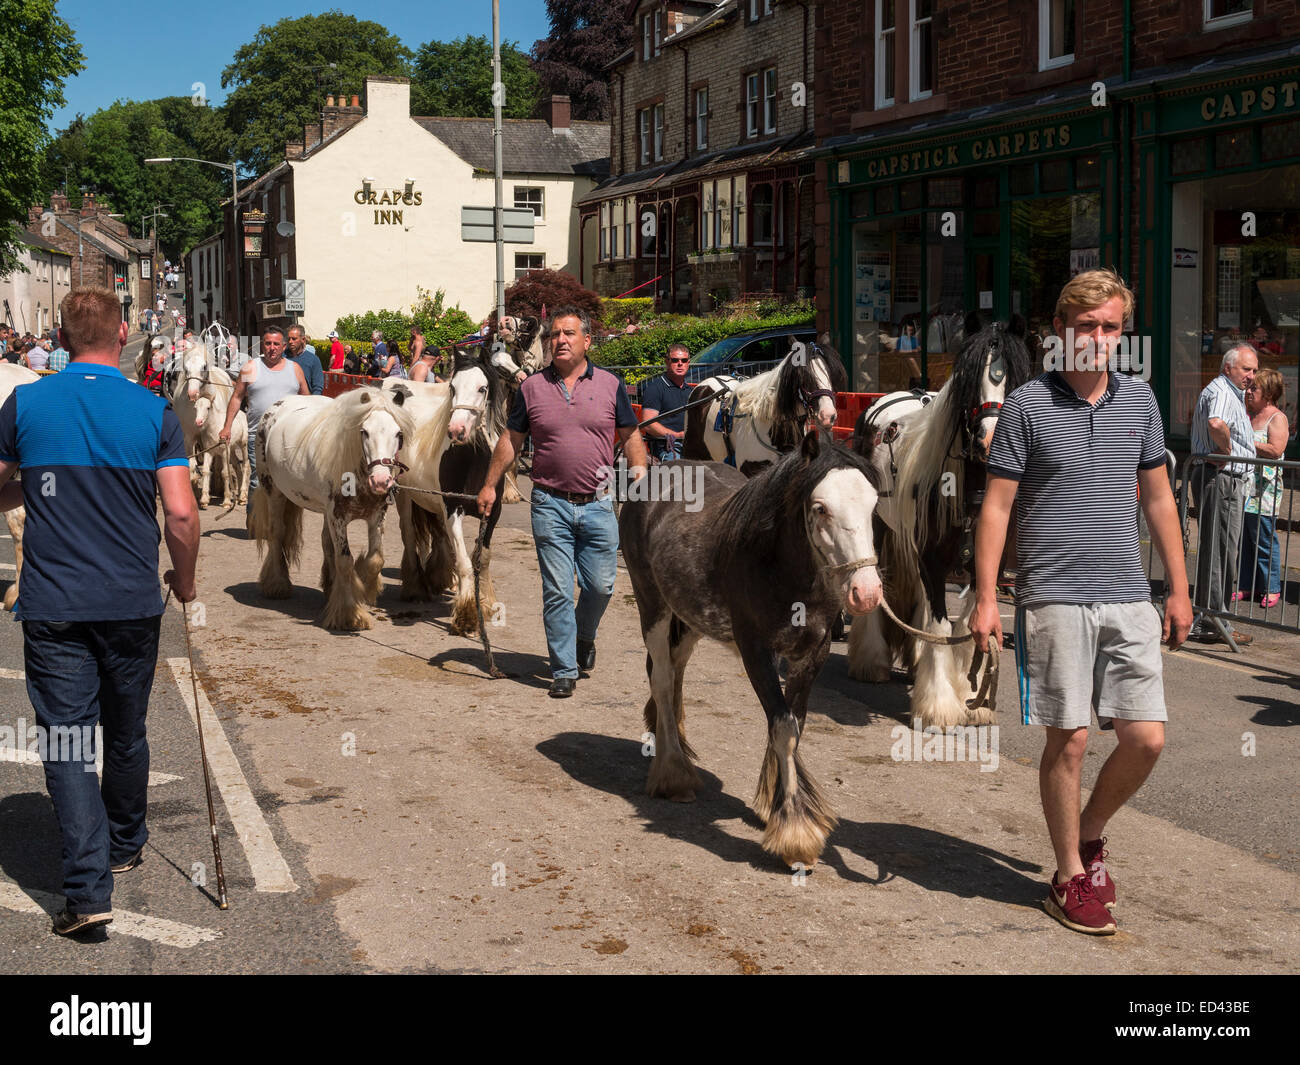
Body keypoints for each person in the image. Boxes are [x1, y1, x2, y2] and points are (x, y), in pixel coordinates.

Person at [971, 268, 1192, 937]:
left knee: (1146, 737)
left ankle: (1090, 830)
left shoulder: (1141, 402)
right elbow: (997, 506)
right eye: (1086, 325)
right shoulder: (1027, 405)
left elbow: (1157, 498)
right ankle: (1068, 876)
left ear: (1121, 333)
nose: (1097, 338)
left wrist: (1178, 588)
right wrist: (985, 597)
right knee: (1068, 740)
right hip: (1052, 595)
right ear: (1061, 331)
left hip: (1128, 594)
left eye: (1110, 326)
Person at [0, 287, 199, 936]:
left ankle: (87, 892)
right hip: (131, 602)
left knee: (65, 739)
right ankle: (125, 841)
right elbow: (180, 512)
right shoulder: (153, 410)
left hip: (54, 604)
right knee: (127, 730)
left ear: (58, 337)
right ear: (121, 334)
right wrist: (187, 579)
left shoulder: (25, 401)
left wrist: (27, 476)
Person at [477, 306, 648, 698]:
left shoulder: (610, 385)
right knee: (557, 589)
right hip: (549, 503)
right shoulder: (533, 388)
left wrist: (640, 474)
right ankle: (563, 669)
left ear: (587, 341)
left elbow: (631, 433)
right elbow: (511, 440)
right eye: (555, 334)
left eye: (569, 334)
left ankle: (584, 636)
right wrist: (490, 484)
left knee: (602, 586)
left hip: (599, 503)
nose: (561, 340)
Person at [1188, 344, 1259, 644]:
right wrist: (1226, 450)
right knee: (1219, 553)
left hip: (1224, 479)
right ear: (1228, 367)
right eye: (1247, 369)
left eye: (1254, 370)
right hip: (1221, 478)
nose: (1252, 376)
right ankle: (1214, 620)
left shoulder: (1229, 392)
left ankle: (1211, 618)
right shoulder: (1221, 391)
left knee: (1220, 551)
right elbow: (1216, 422)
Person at [219, 326, 309, 518]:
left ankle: (282, 523)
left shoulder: (294, 369)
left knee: (287, 480)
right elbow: (237, 398)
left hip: (289, 437)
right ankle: (255, 522)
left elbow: (307, 399)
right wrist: (227, 427)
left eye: (276, 344)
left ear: (284, 346)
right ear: (263, 344)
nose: (272, 348)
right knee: (258, 480)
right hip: (258, 436)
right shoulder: (251, 368)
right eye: (268, 343)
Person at [1236, 367, 1288, 609]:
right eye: (1249, 387)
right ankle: (1246, 584)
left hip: (1264, 490)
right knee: (1245, 540)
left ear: (1267, 393)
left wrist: (1247, 442)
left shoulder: (1276, 418)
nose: (1248, 392)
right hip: (1245, 487)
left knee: (1264, 539)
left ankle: (1271, 587)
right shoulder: (1248, 414)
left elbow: (1276, 450)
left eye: (1254, 388)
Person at [639, 343, 693, 461]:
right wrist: (677, 436)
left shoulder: (690, 391)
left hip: (691, 445)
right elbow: (648, 423)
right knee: (680, 473)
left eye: (684, 360)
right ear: (667, 362)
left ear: (688, 363)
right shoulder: (655, 388)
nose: (680, 364)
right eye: (675, 360)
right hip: (667, 447)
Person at [286, 324, 324, 395]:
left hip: (304, 402)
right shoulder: (282, 357)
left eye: (294, 339)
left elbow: (318, 387)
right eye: (288, 339)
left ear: (303, 339)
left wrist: (312, 402)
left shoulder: (313, 360)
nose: (290, 342)